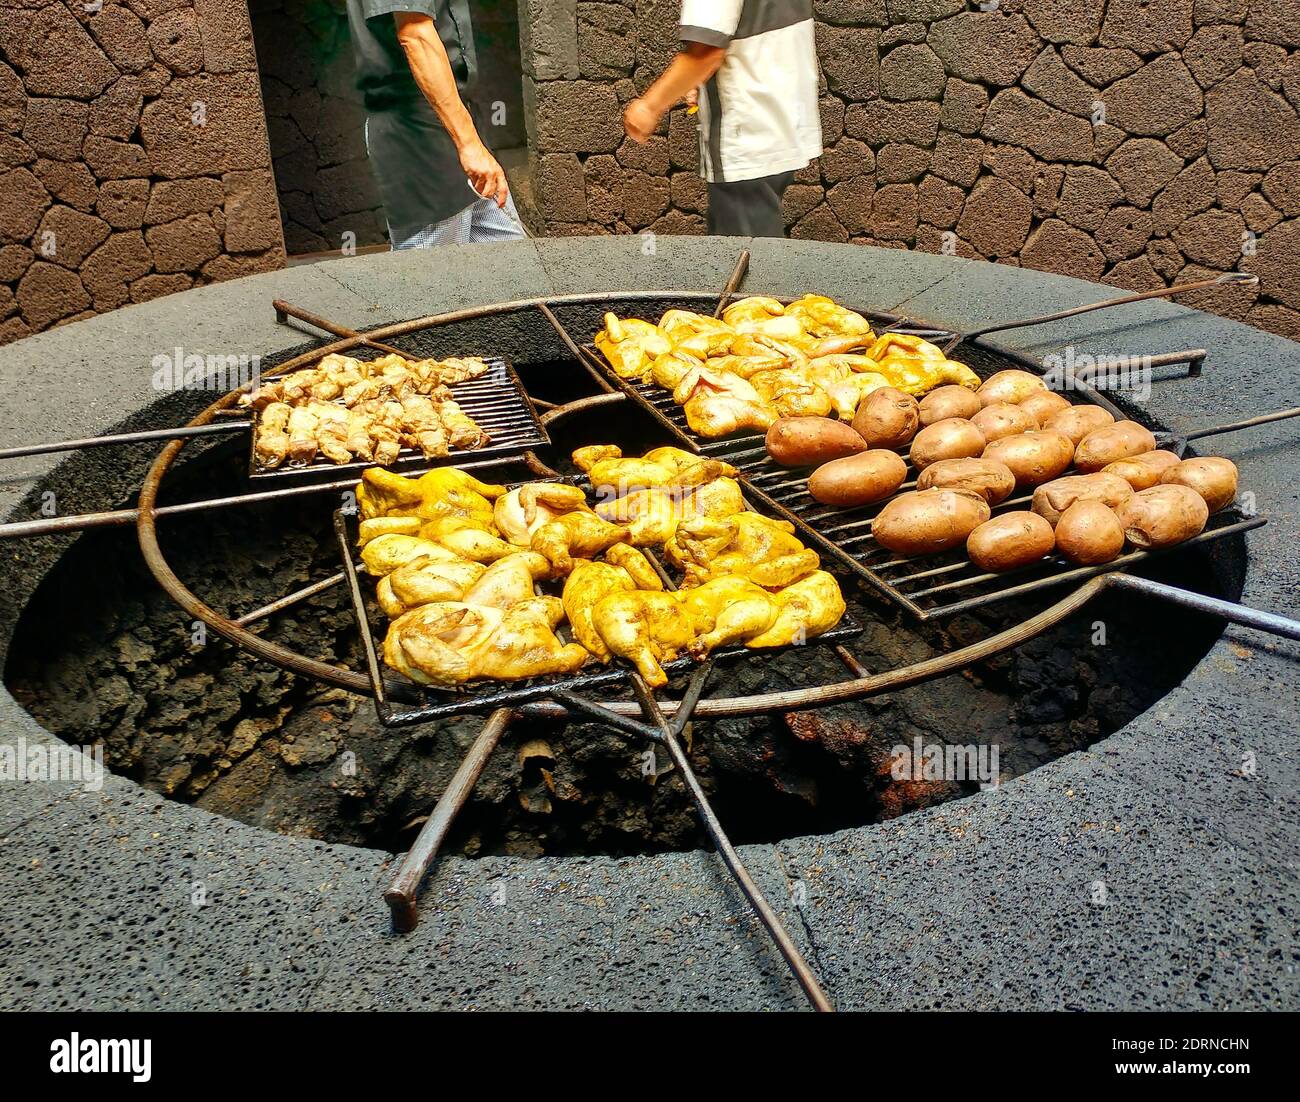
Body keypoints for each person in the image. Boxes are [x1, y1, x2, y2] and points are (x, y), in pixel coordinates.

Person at [623, 0, 823, 238]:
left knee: (748, 264)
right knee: (746, 258)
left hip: (746, 135)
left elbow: (706, 52)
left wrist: (649, 106)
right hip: (783, 117)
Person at [344, 0, 527, 248]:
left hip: (452, 120)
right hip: (417, 134)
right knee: (429, 277)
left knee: (513, 261)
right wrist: (469, 144)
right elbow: (415, 34)